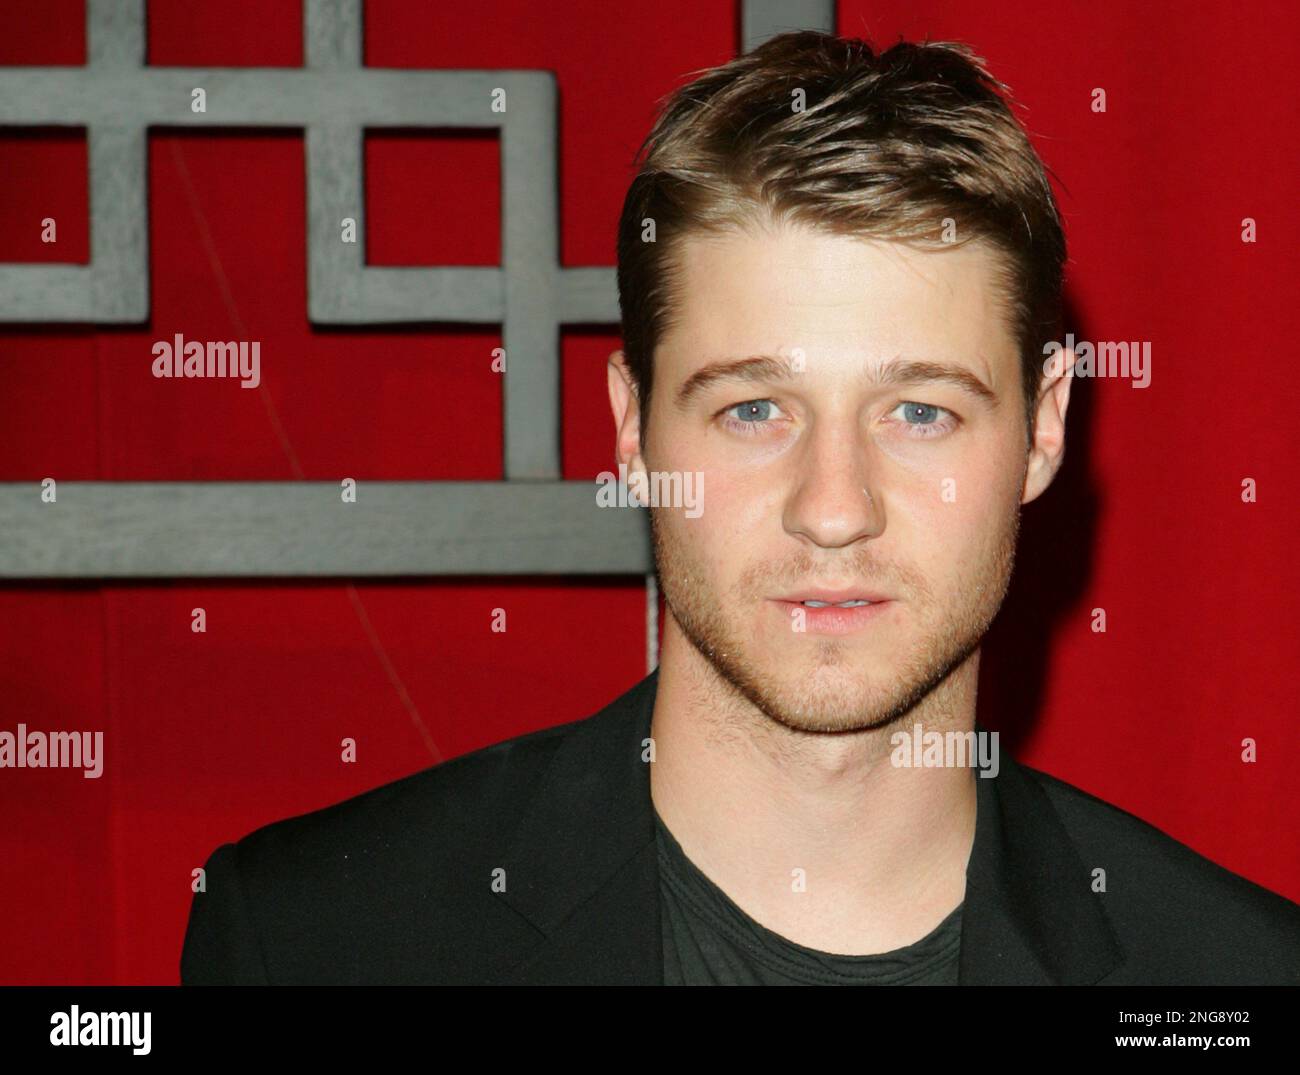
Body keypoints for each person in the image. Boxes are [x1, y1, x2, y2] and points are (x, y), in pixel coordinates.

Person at [180, 30, 1300, 985]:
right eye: (754, 409)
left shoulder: (1228, 976)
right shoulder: (318, 941)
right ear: (631, 427)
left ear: (1045, 427)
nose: (832, 510)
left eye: (919, 413)